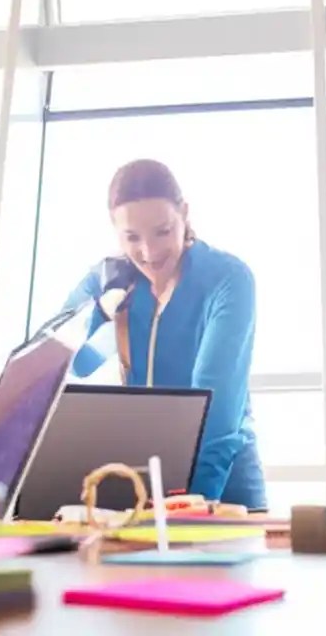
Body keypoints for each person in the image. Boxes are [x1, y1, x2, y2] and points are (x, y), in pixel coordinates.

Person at [62, 159, 267, 509]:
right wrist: (102, 309)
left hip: (223, 488)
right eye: (132, 237)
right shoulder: (109, 280)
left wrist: (194, 504)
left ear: (184, 213)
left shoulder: (228, 279)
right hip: (145, 485)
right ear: (115, 230)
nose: (149, 251)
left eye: (162, 231)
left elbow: (216, 403)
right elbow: (75, 363)